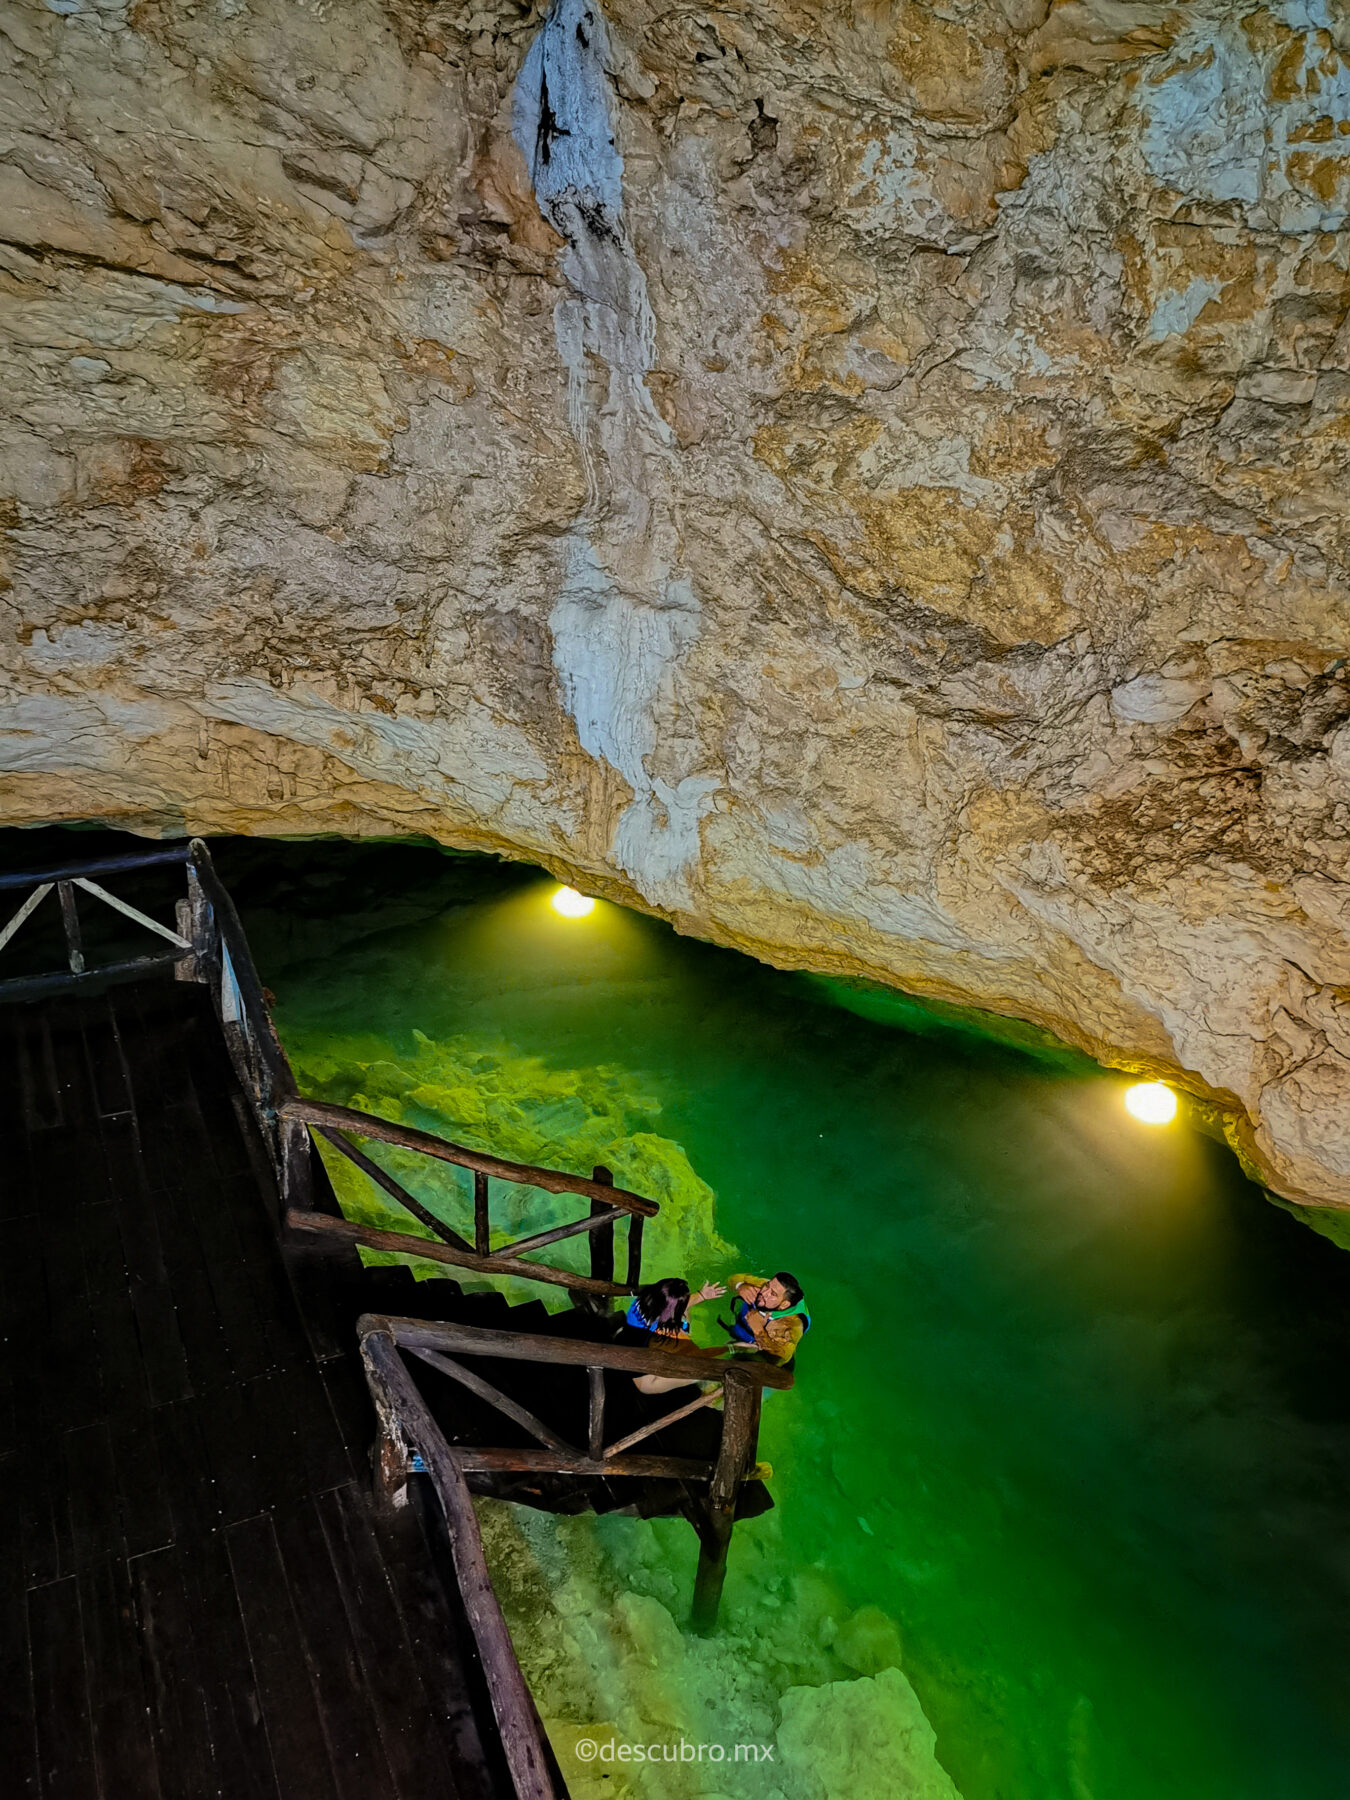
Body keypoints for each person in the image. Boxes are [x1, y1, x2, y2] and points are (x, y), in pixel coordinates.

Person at [621, 1276, 726, 1394]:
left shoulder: (646, 1299)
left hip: (629, 1348)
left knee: (683, 1320)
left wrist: (701, 1295)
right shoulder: (662, 1330)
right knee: (701, 1369)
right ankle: (706, 1387)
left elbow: (671, 1304)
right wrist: (729, 1349)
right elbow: (692, 1348)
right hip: (647, 1383)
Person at [725, 1271, 810, 1366]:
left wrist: (757, 1328)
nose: (764, 1293)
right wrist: (741, 1286)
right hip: (739, 1335)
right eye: (767, 1286)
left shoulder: (791, 1325)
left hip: (762, 1360)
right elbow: (733, 1278)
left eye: (773, 1294)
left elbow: (781, 1357)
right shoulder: (769, 1285)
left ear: (784, 1305)